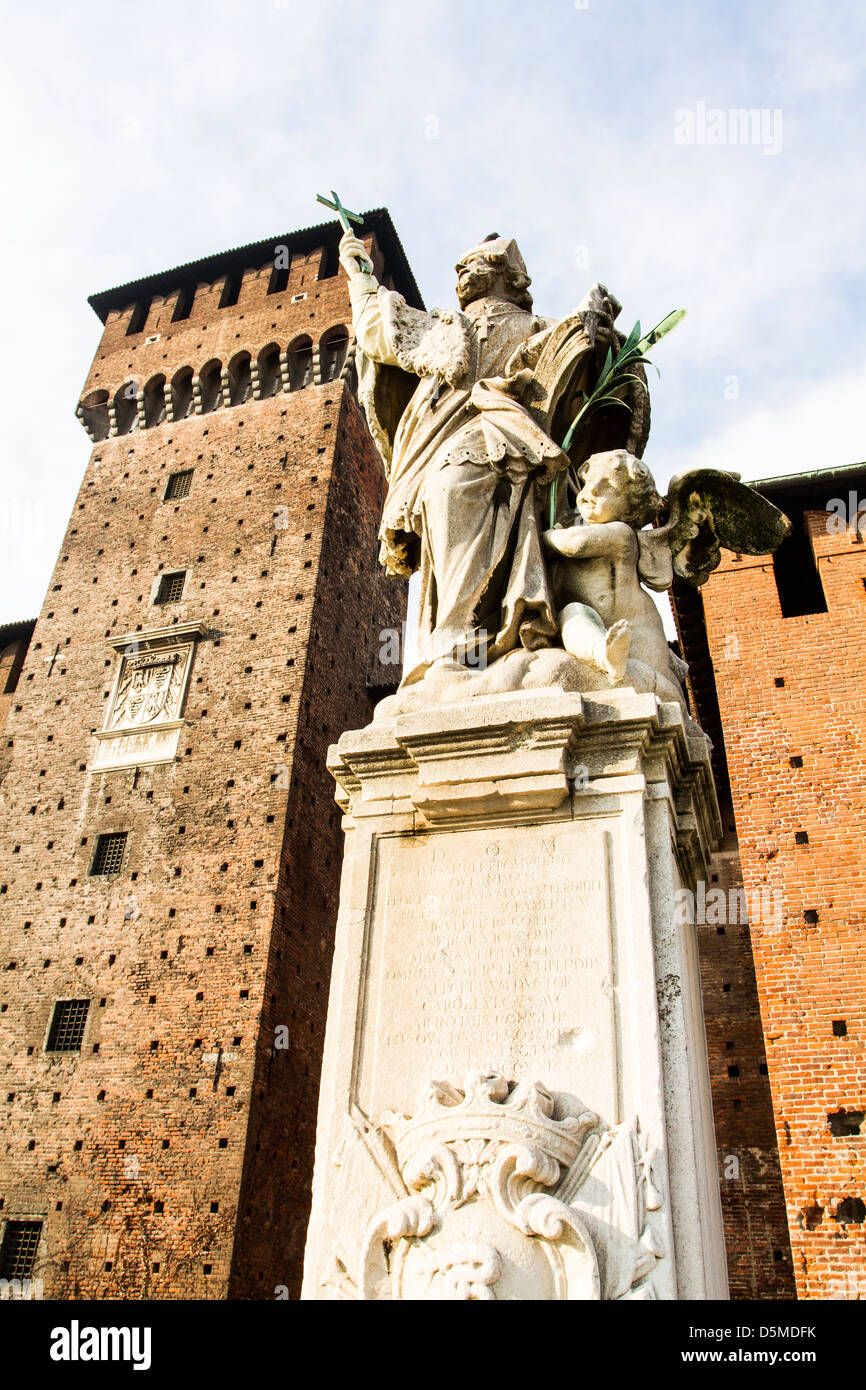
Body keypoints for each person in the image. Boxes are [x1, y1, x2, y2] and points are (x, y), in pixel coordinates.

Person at [339, 229, 606, 684]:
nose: (462, 272)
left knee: (454, 483)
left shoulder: (541, 328)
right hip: (437, 437)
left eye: (476, 264)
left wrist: (596, 334)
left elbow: (587, 378)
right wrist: (359, 271)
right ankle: (453, 640)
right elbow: (377, 332)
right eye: (460, 267)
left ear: (511, 277)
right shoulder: (444, 326)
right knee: (443, 489)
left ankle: (459, 639)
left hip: (509, 432)